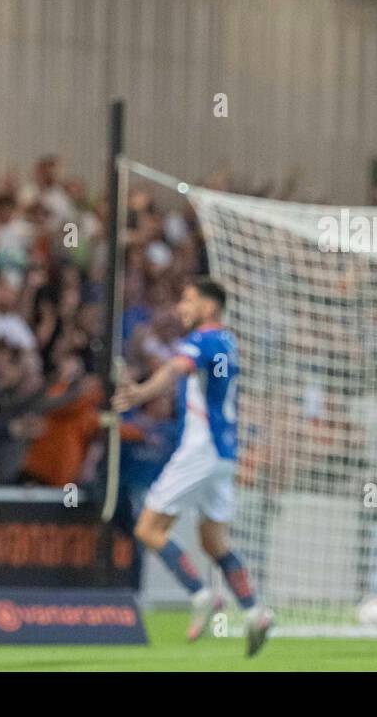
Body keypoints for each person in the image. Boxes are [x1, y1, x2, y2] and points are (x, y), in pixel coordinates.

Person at [112, 277, 273, 657]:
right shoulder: (229, 342)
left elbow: (175, 370)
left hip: (200, 449)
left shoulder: (201, 340)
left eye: (188, 300)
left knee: (148, 528)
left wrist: (139, 392)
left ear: (209, 307)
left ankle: (200, 594)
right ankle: (254, 611)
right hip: (225, 453)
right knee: (213, 541)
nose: (181, 308)